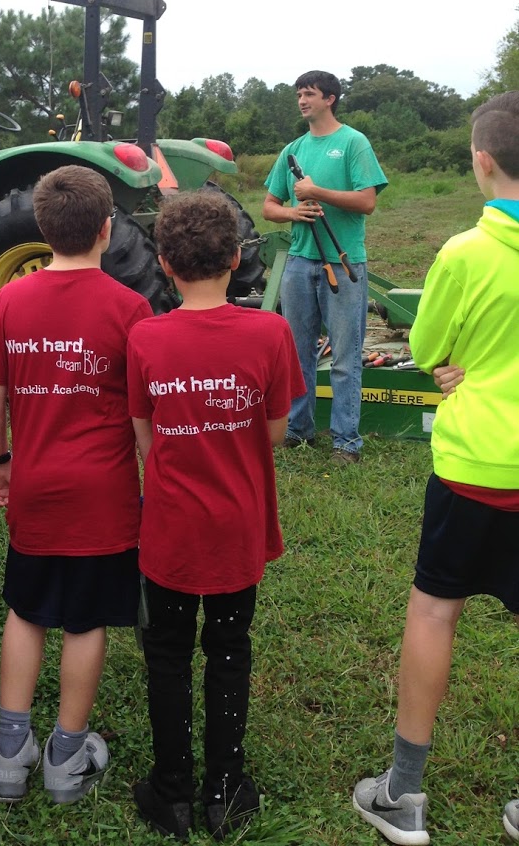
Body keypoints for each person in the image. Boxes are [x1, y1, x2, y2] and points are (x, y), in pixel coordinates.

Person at [353, 90, 519, 846]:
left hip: (473, 466)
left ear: (481, 161)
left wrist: (456, 363)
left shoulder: (464, 253)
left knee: (433, 611)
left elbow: (425, 349)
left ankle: (404, 791)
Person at [0, 165, 152, 805]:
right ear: (106, 229)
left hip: (36, 485)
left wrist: (1, 461)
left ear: (43, 230)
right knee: (85, 619)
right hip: (104, 494)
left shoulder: (11, 301)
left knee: (26, 610)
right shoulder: (130, 308)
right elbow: (144, 411)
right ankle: (67, 755)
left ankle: (9, 752)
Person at [126, 192, 304, 840]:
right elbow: (276, 430)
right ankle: (225, 790)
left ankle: (172, 791)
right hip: (236, 528)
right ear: (235, 258)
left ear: (165, 265)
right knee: (230, 650)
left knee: (167, 655)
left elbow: (145, 436)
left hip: (170, 529)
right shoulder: (270, 333)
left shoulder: (145, 337)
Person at [262, 70, 387, 463]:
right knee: (298, 353)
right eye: (299, 94)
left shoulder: (353, 143)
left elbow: (367, 201)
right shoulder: (293, 150)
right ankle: (298, 430)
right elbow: (269, 207)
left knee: (346, 358)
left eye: (310, 94)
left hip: (343, 263)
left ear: (330, 98)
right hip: (300, 263)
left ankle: (346, 442)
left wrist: (317, 192)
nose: (302, 100)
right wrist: (292, 212)